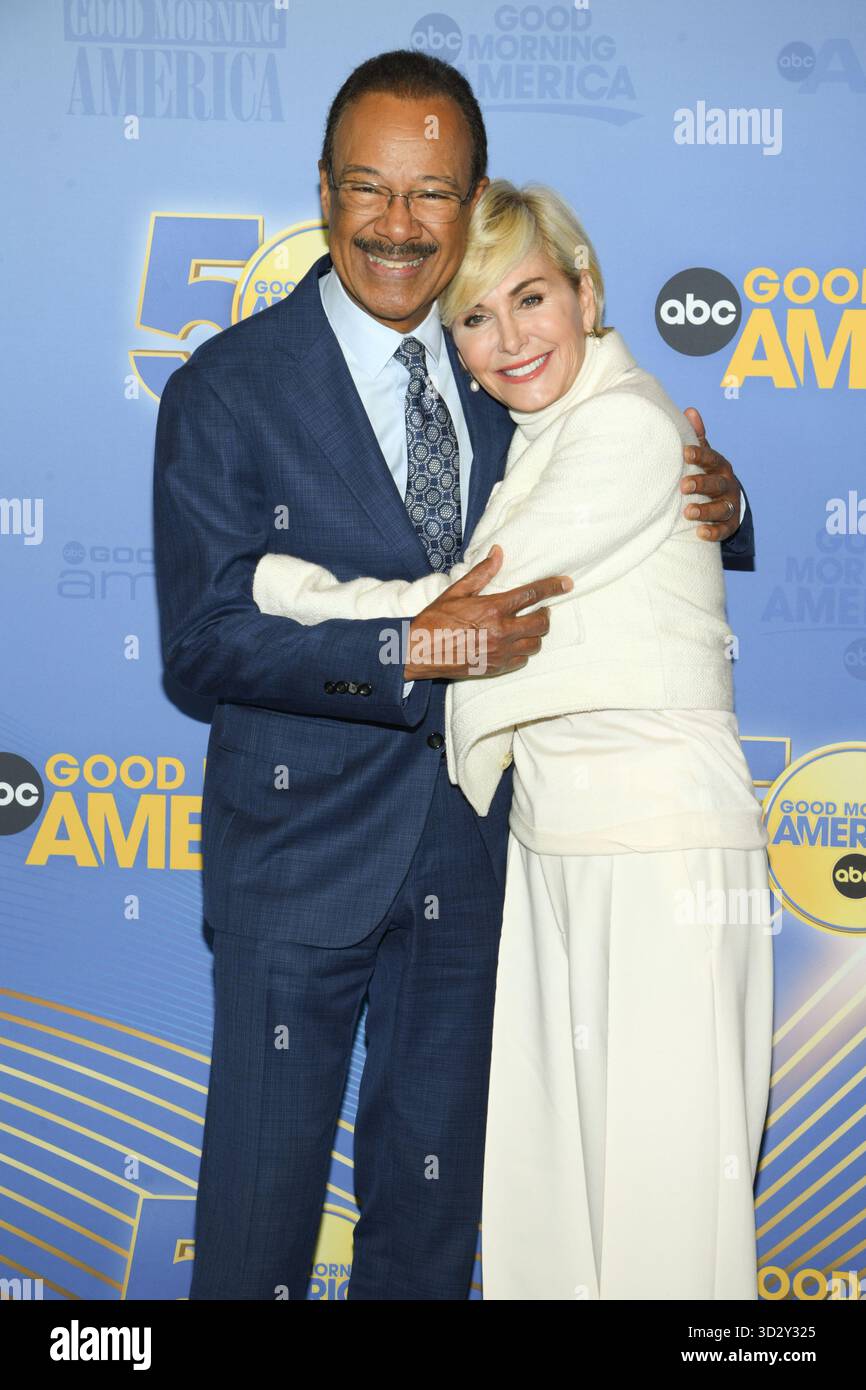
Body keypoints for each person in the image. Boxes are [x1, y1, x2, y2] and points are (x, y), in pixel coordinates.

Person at [153, 50, 753, 1301]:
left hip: (483, 863)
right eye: (367, 186)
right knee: (257, 1226)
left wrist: (724, 505)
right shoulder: (225, 386)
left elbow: (610, 503)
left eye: (432, 194)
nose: (396, 222)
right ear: (319, 189)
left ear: (471, 203)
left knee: (429, 1237)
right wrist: (405, 648)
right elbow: (206, 640)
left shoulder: (508, 370)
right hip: (296, 856)